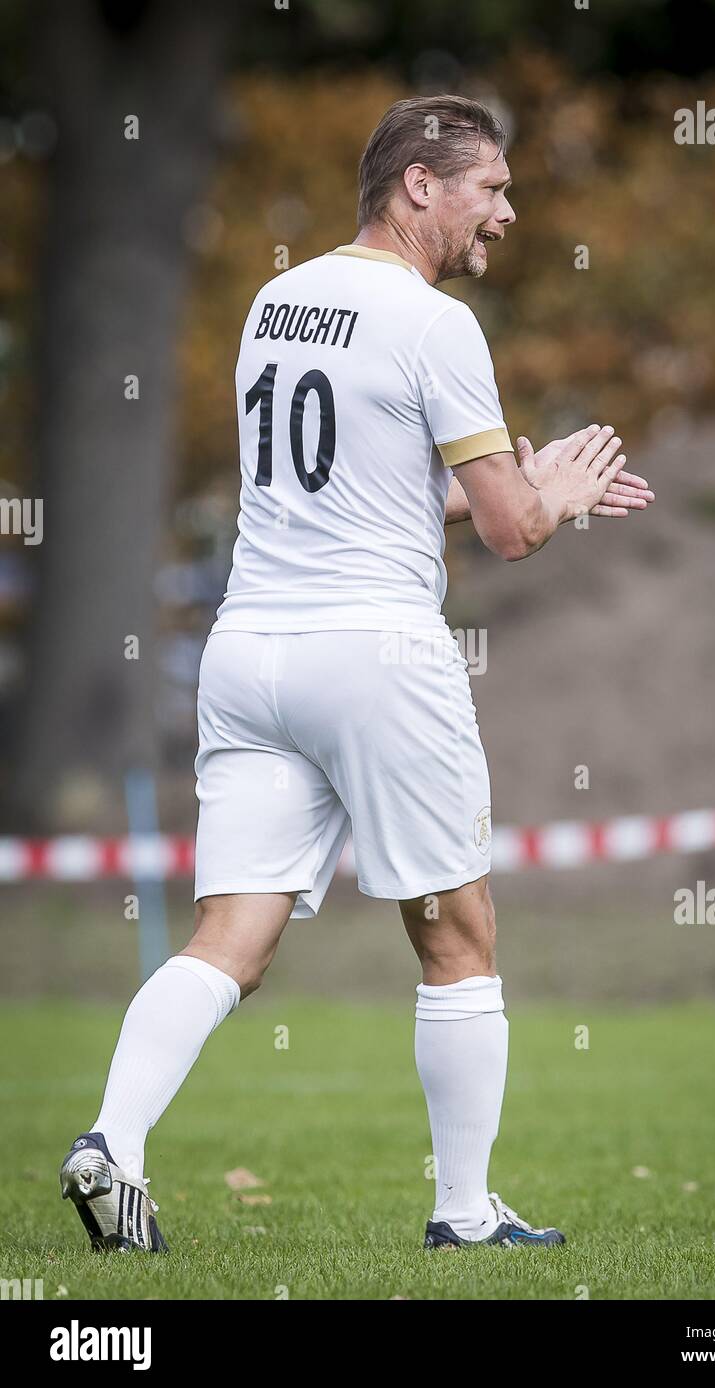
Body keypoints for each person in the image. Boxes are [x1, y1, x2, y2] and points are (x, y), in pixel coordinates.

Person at [61, 94, 654, 1252]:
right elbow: (510, 534)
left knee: (229, 934)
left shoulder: (275, 300)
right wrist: (555, 492)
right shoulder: (436, 325)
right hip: (376, 654)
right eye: (489, 186)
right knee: (456, 934)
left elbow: (352, 491)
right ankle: (465, 1214)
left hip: (249, 655)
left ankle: (112, 1146)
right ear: (419, 185)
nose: (505, 210)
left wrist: (505, 486)